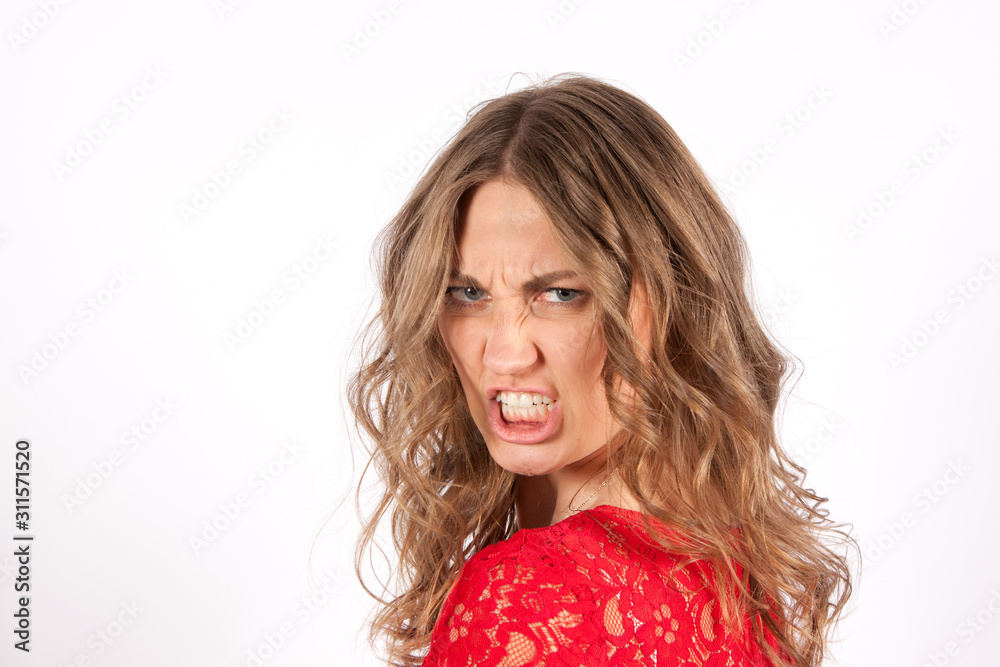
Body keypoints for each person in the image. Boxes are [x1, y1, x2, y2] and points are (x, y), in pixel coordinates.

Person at [350, 74, 853, 667]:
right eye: (466, 292)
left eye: (561, 294)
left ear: (670, 304)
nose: (506, 354)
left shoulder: (525, 600)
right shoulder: (731, 576)